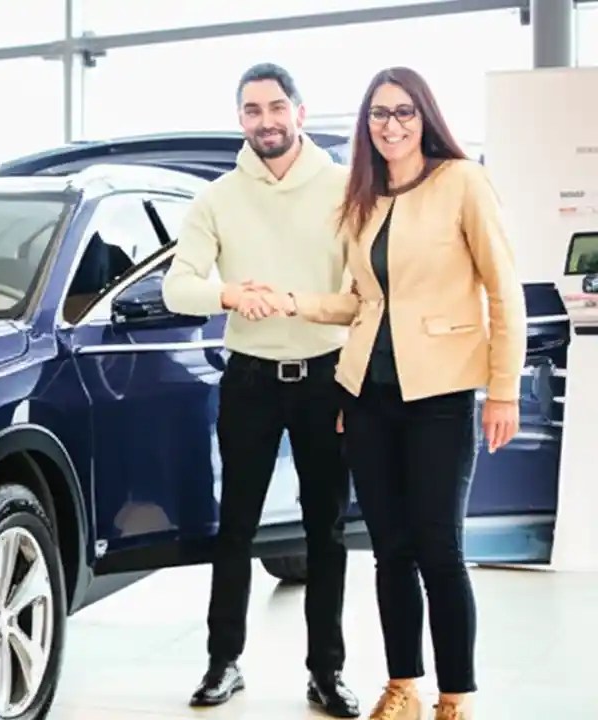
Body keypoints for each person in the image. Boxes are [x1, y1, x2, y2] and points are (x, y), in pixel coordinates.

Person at [269, 67, 527, 720]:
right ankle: (404, 686)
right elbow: (362, 302)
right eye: (379, 115)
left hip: (441, 395)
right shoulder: (364, 200)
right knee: (390, 553)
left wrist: (503, 390)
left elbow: (504, 290)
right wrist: (292, 301)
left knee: (439, 547)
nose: (391, 126)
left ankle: (455, 697)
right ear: (366, 126)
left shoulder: (461, 183)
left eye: (404, 113)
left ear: (425, 117)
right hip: (366, 400)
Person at [162, 62, 360, 718]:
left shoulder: (342, 187)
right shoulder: (217, 197)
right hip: (248, 380)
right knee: (235, 527)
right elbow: (176, 286)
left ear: (300, 112)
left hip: (327, 380)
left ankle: (326, 673)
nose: (266, 121)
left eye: (277, 107)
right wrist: (227, 293)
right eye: (252, 110)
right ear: (240, 120)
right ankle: (223, 663)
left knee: (324, 530)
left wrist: (302, 306)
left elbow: (365, 296)